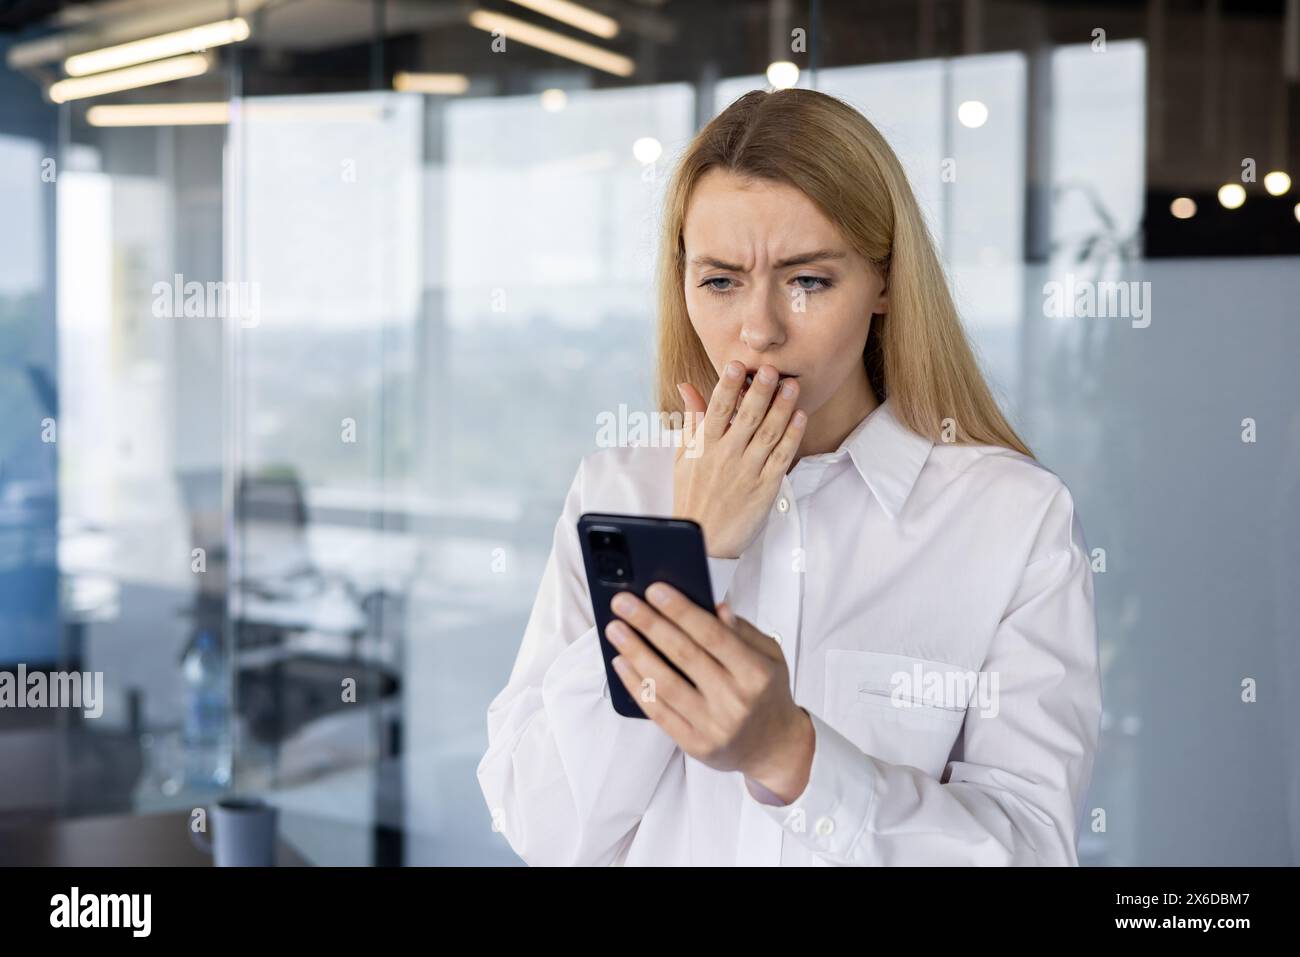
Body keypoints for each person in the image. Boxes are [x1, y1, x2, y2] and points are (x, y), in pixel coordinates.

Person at [477, 88, 1102, 866]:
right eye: (720, 281)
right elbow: (547, 831)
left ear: (883, 282)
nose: (760, 329)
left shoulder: (1012, 520)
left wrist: (792, 756)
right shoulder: (617, 493)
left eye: (807, 280)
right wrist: (691, 549)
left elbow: (1033, 849)